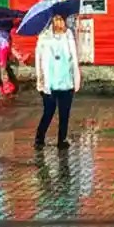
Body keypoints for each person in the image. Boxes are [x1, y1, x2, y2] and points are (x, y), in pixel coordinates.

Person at [33, 14, 81, 151]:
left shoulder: (69, 35)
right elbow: (39, 59)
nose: (59, 23)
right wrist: (39, 79)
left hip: (66, 81)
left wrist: (76, 78)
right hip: (49, 83)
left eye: (61, 19)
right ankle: (39, 138)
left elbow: (74, 58)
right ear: (52, 22)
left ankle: (62, 140)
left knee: (64, 113)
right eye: (56, 20)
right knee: (48, 111)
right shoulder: (44, 37)